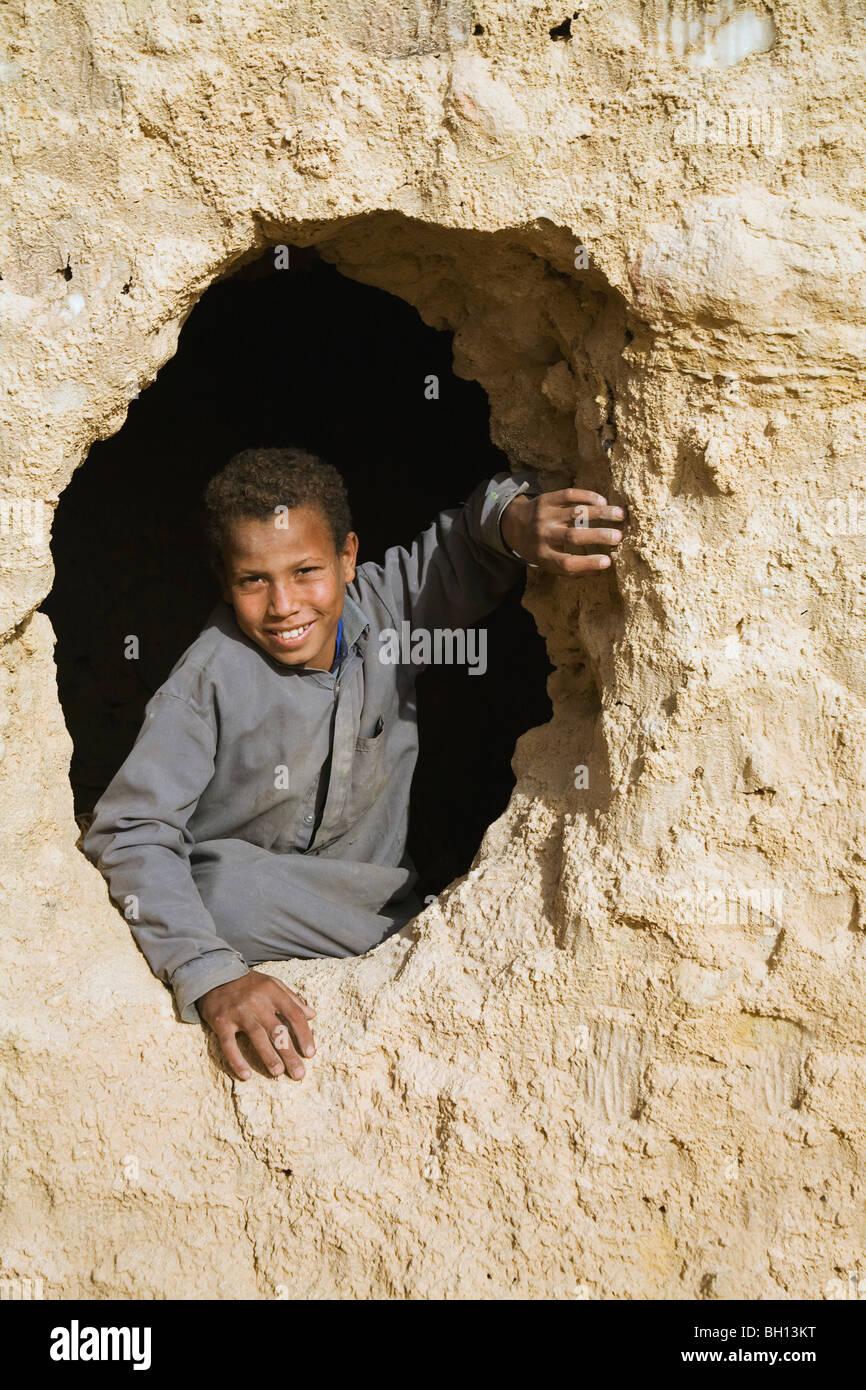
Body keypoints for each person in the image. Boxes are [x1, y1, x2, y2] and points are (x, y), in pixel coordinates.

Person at [83, 446, 625, 1082]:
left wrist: (517, 523)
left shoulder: (387, 611)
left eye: (307, 570)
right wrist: (212, 972)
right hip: (258, 902)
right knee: (219, 890)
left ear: (347, 558)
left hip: (379, 889)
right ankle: (415, 925)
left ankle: (420, 918)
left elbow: (469, 538)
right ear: (223, 581)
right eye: (253, 580)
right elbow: (128, 828)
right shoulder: (209, 678)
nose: (284, 604)